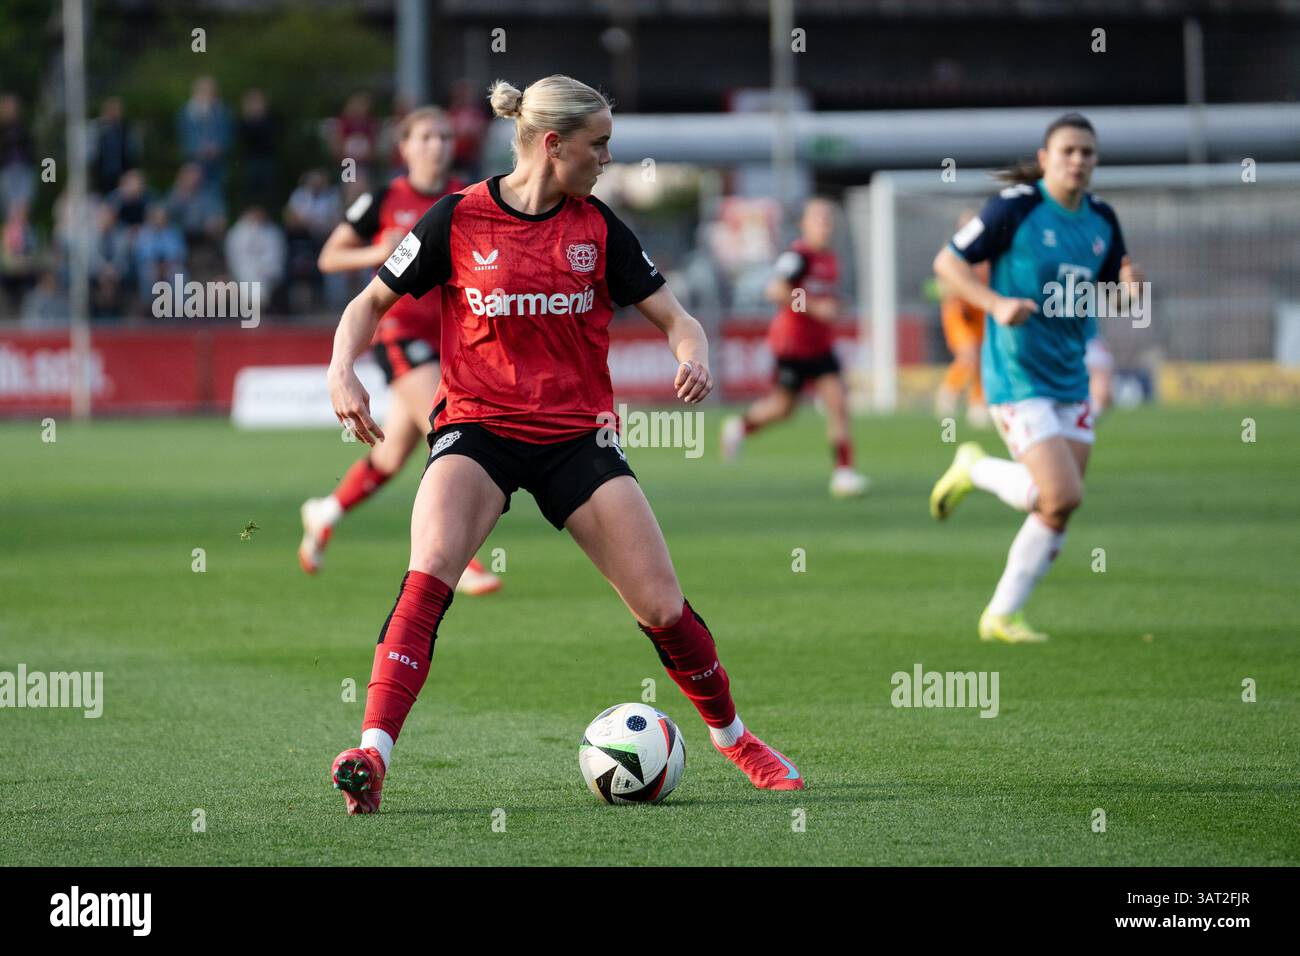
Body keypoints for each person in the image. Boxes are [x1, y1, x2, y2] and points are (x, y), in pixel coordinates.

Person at [326, 75, 805, 814]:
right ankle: (374, 752)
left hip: (576, 438)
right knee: (429, 572)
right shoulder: (457, 219)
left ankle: (734, 736)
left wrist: (693, 355)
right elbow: (368, 304)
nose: (608, 158)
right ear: (554, 145)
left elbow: (680, 320)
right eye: (599, 145)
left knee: (661, 604)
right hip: (477, 430)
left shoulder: (599, 228)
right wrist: (342, 371)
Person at [928, 112, 1144, 643]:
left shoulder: (1102, 220)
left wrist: (1128, 291)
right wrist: (996, 303)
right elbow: (947, 264)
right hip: (1015, 376)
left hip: (1069, 377)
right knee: (1063, 492)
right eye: (1068, 151)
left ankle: (1001, 614)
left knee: (1060, 503)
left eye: (1087, 153)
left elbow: (1107, 291)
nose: (1078, 161)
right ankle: (976, 472)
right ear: (1046, 158)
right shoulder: (1016, 208)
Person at [300, 107, 499, 597]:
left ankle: (324, 512)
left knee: (389, 457)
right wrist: (377, 252)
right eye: (426, 136)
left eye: (445, 136)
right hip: (399, 335)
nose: (437, 144)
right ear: (405, 147)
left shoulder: (467, 195)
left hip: (453, 339)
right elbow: (330, 256)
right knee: (452, 429)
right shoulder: (385, 197)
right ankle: (463, 555)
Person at [720, 197, 869, 498]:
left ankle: (843, 474)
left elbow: (823, 298)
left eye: (828, 220)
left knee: (838, 403)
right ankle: (738, 428)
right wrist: (816, 308)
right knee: (783, 409)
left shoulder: (830, 258)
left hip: (821, 346)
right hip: (792, 346)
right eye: (818, 219)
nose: (825, 226)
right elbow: (775, 289)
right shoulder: (798, 256)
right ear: (804, 224)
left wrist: (833, 307)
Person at [934, 210, 989, 429]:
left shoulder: (989, 250)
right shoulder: (953, 251)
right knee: (968, 354)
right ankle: (949, 392)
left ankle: (978, 402)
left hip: (982, 308)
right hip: (959, 310)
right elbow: (943, 284)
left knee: (982, 357)